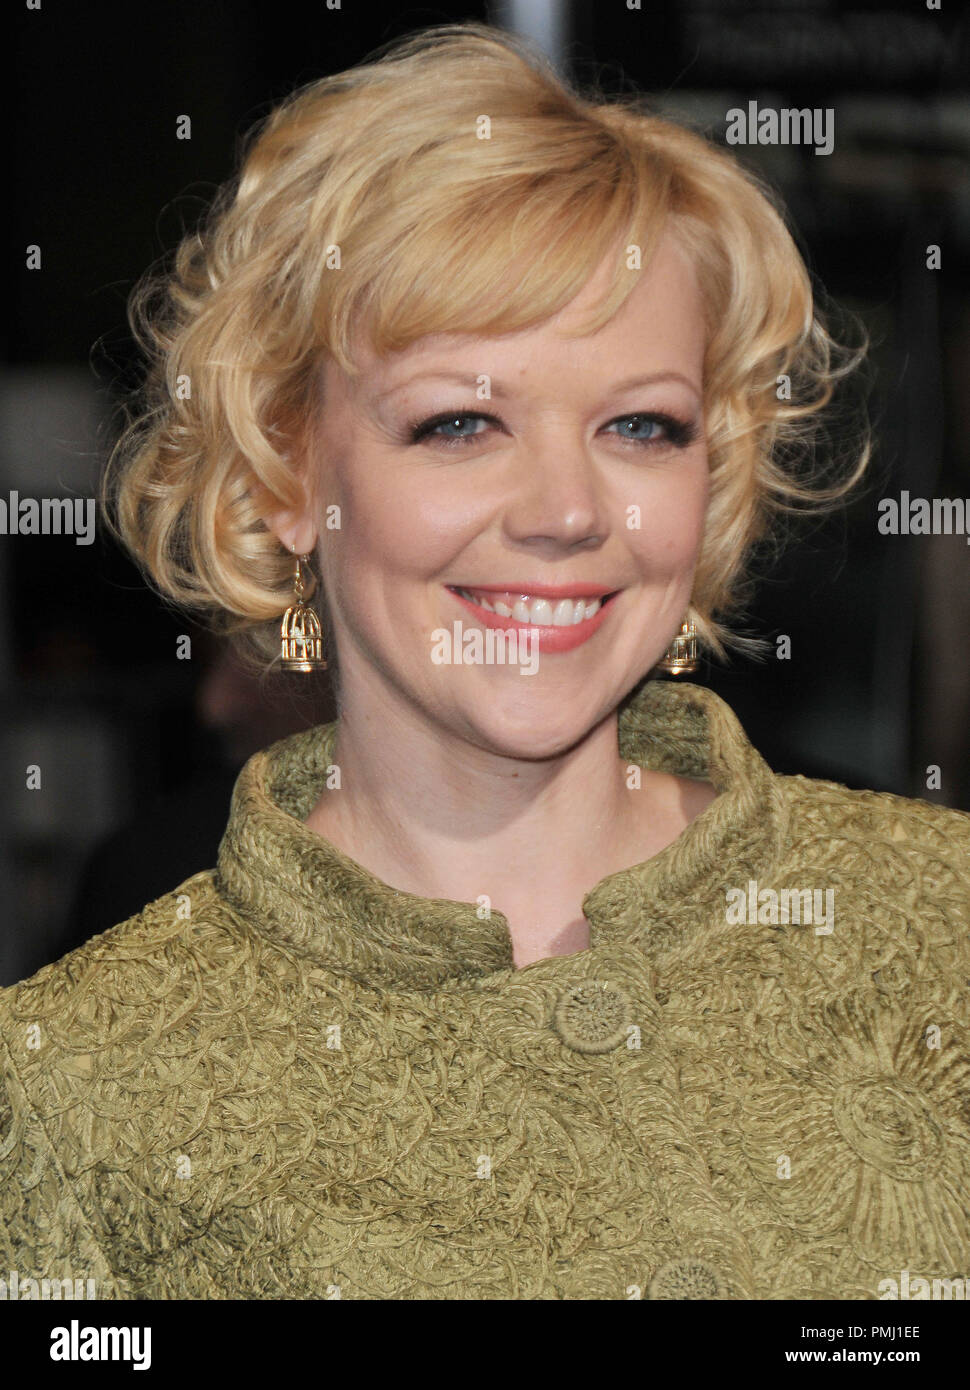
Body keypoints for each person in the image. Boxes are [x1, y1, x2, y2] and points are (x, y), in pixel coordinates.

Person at [1, 22, 967, 1301]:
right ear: (288, 470)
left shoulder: (939, 919)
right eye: (460, 421)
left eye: (640, 424)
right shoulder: (71, 1087)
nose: (565, 507)